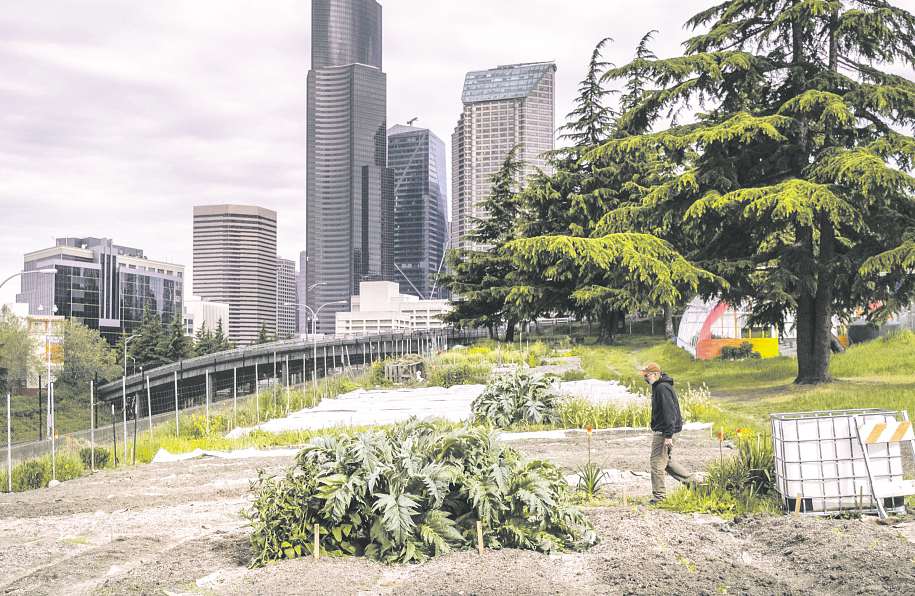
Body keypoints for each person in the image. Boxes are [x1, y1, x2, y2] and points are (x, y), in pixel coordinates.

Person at [640, 362, 694, 503]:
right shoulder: (660, 386)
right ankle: (697, 486)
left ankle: (659, 498)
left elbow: (669, 413)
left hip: (664, 432)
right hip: (665, 431)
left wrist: (668, 435)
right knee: (667, 463)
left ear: (656, 374)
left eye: (647, 375)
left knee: (657, 463)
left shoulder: (662, 388)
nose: (645, 378)